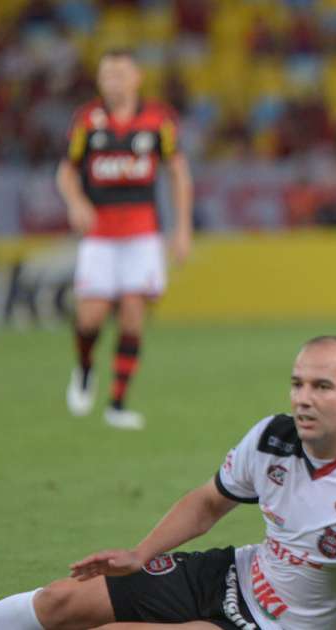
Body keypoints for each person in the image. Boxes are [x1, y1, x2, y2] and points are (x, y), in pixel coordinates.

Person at [0, 336, 336, 630]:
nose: (303, 397)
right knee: (63, 603)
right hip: (235, 576)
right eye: (298, 383)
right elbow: (209, 503)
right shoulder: (273, 438)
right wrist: (141, 553)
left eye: (322, 386)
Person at [58, 48, 194, 430]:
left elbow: (179, 173)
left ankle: (117, 402)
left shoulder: (157, 120)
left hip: (142, 235)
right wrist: (76, 201)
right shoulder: (87, 120)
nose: (113, 81)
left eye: (120, 74)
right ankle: (85, 368)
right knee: (90, 318)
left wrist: (182, 228)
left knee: (133, 315)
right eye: (107, 75)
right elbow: (66, 172)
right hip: (100, 235)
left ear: (136, 78)